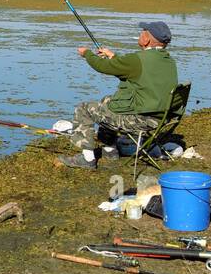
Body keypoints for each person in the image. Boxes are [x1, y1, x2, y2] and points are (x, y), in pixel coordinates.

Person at [57, 20, 178, 170]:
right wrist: (113, 56)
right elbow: (134, 71)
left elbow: (103, 66)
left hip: (140, 120)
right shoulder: (168, 60)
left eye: (142, 32)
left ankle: (87, 159)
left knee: (84, 108)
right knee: (108, 101)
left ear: (146, 39)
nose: (140, 35)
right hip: (159, 118)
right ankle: (110, 150)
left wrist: (87, 54)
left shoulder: (138, 59)